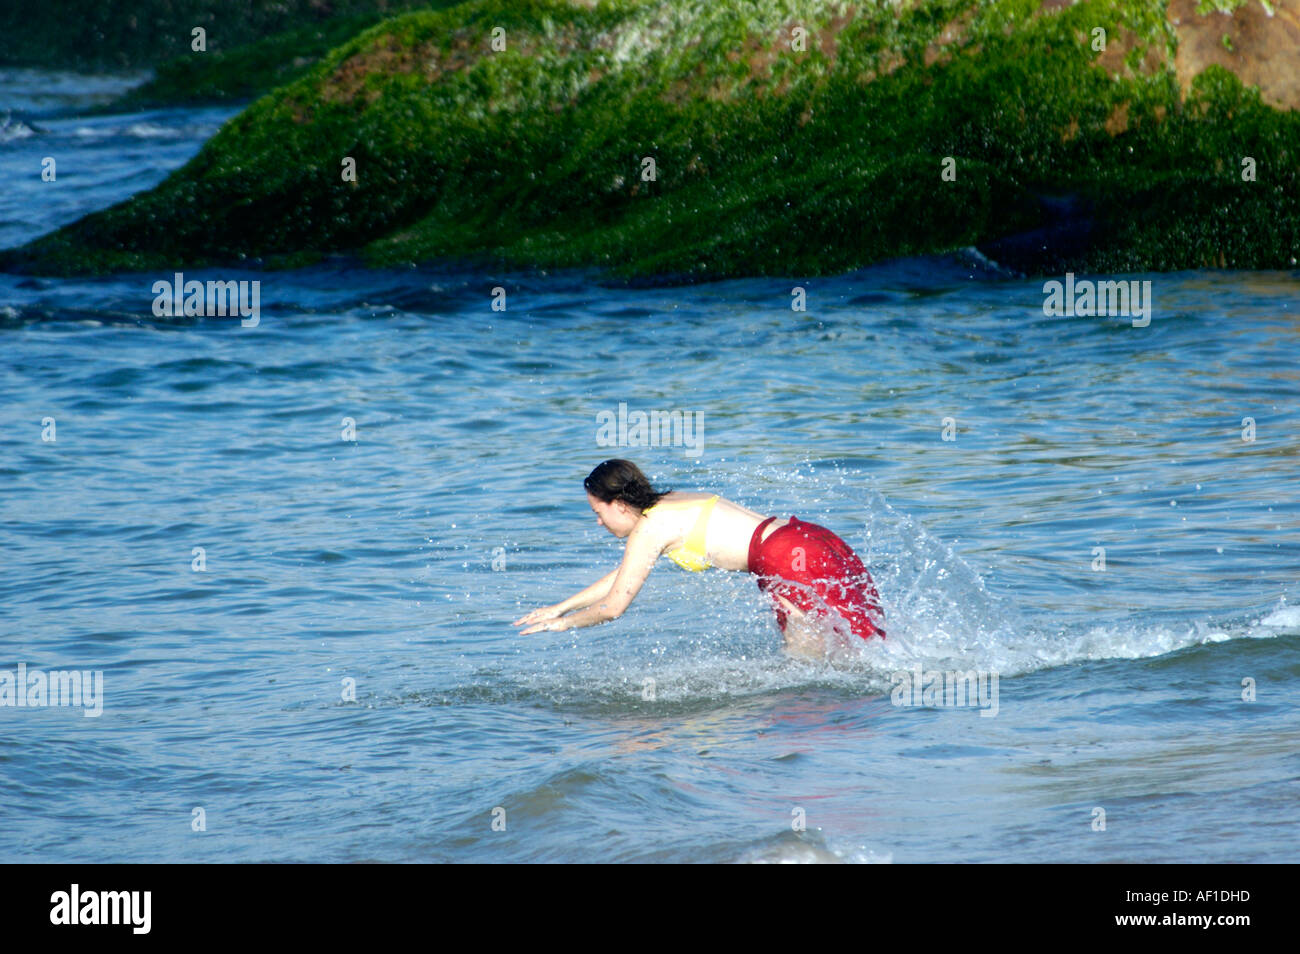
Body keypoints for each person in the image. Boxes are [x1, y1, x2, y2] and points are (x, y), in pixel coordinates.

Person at [513, 459, 884, 655]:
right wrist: (559, 607)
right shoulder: (668, 503)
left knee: (806, 669)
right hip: (808, 536)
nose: (597, 522)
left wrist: (563, 625)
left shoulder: (650, 527)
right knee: (865, 644)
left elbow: (613, 608)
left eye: (598, 512)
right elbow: (627, 573)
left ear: (621, 505)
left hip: (783, 556)